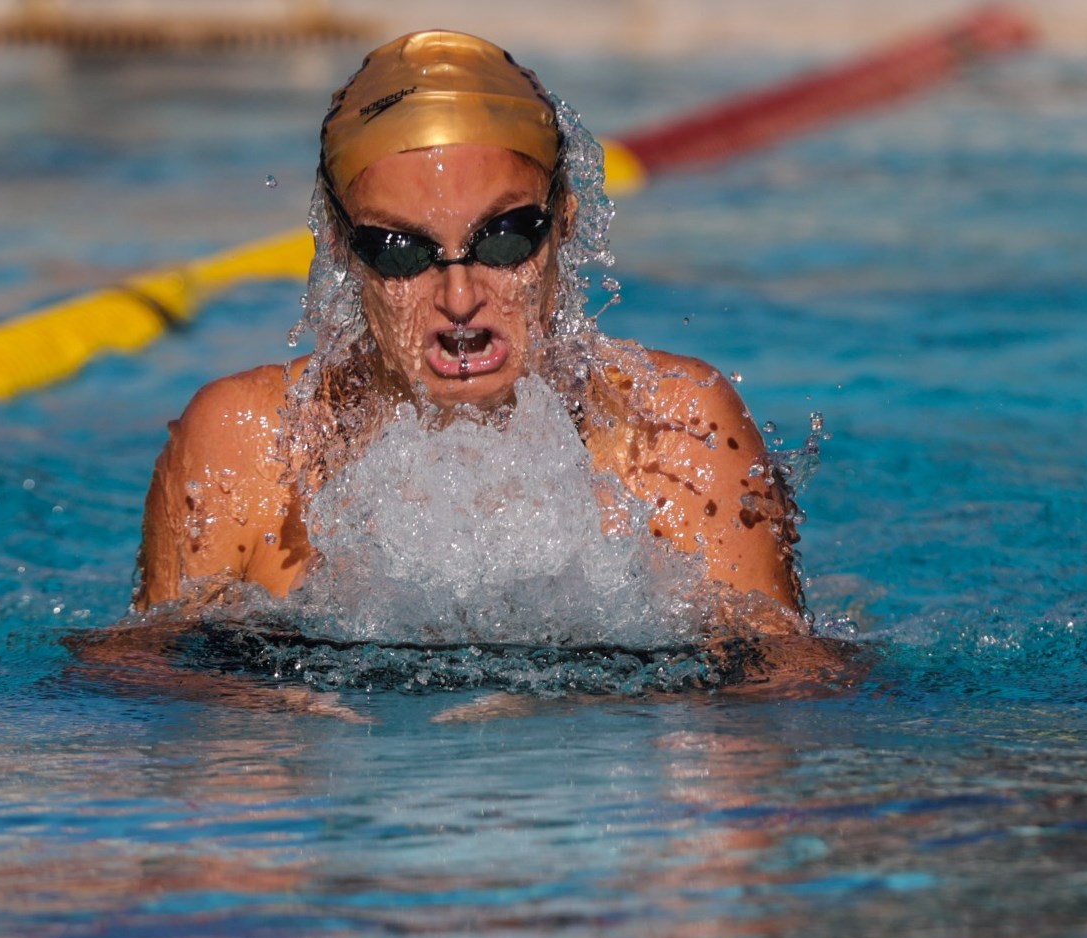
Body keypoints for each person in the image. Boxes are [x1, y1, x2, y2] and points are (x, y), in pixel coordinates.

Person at [134, 29, 810, 641]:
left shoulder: (675, 437)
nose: (460, 298)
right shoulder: (247, 449)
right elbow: (151, 701)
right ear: (342, 249)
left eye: (505, 239)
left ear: (564, 221)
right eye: (401, 251)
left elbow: (779, 707)